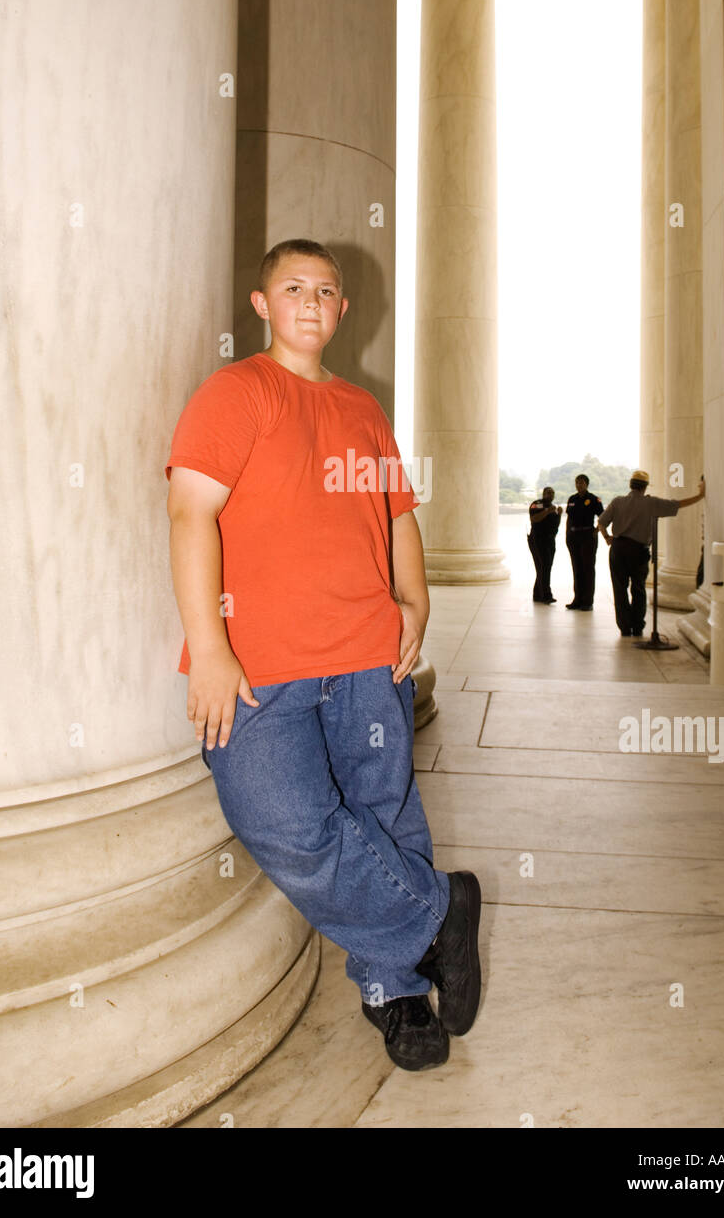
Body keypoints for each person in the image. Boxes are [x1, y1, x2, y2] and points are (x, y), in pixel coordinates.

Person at [165, 238, 481, 1074]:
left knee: (382, 814)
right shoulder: (235, 393)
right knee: (283, 823)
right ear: (262, 304)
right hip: (256, 666)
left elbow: (395, 515)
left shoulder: (361, 409)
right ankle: (435, 914)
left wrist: (416, 600)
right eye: (293, 287)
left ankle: (395, 987)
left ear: (343, 312)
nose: (311, 300)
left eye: (326, 291)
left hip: (363, 655)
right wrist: (209, 649)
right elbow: (189, 516)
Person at [597, 469, 706, 636]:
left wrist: (607, 538)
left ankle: (625, 627)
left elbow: (601, 522)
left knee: (619, 589)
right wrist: (699, 496)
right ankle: (638, 626)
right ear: (645, 487)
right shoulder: (651, 503)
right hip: (638, 551)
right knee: (639, 588)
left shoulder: (618, 502)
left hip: (618, 549)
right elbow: (676, 504)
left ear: (630, 485)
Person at [565, 473, 604, 610]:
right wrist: (567, 536)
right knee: (577, 568)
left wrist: (597, 530)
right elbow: (569, 519)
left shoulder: (593, 499)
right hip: (574, 536)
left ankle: (587, 601)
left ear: (587, 484)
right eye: (577, 482)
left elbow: (603, 518)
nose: (578, 485)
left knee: (588, 569)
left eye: (581, 482)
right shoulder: (572, 499)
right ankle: (577, 599)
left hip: (588, 536)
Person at [528, 486, 562, 603]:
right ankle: (546, 595)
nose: (550, 495)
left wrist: (559, 515)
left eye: (552, 493)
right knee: (544, 566)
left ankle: (537, 594)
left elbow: (556, 525)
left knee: (545, 567)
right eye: (548, 493)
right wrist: (547, 511)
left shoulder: (553, 507)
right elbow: (534, 519)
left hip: (550, 540)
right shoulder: (537, 504)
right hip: (537, 539)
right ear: (543, 494)